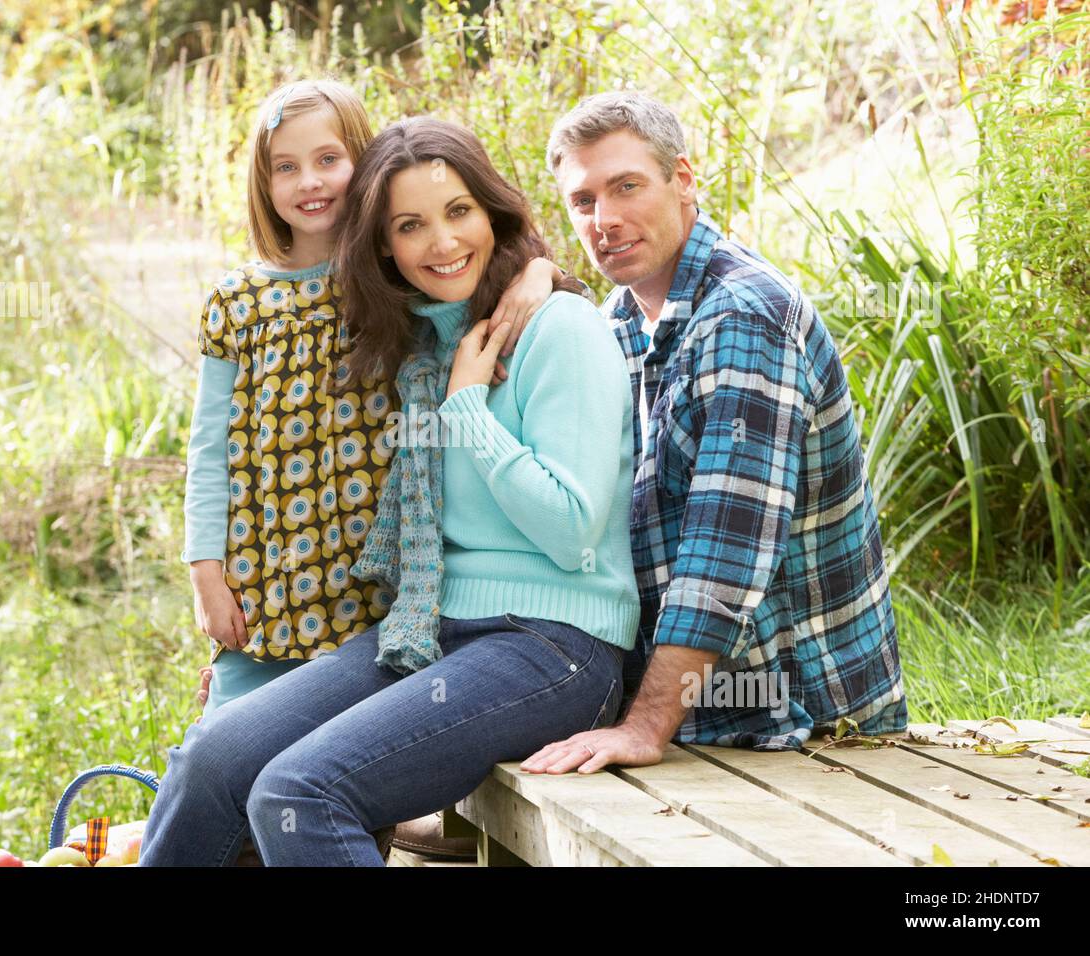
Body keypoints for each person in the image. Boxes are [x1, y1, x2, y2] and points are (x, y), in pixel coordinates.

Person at [140, 116, 638, 866]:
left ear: (493, 213)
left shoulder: (560, 328)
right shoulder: (414, 345)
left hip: (555, 644)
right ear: (383, 245)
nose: (442, 242)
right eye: (411, 225)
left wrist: (470, 409)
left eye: (460, 212)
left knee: (298, 793)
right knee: (210, 759)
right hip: (430, 627)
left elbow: (573, 534)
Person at [519, 92, 907, 776]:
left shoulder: (744, 317)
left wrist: (644, 725)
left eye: (627, 186)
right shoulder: (616, 321)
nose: (605, 219)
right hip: (697, 716)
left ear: (684, 179)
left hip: (802, 724)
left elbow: (724, 552)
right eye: (584, 202)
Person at [184, 80, 560, 715]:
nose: (311, 181)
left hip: (372, 576)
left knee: (339, 752)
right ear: (263, 183)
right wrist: (204, 573)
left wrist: (542, 271)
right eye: (286, 167)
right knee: (221, 749)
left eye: (329, 159)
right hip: (266, 574)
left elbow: (480, 264)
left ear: (363, 162)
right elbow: (207, 451)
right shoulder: (235, 303)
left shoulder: (395, 278)